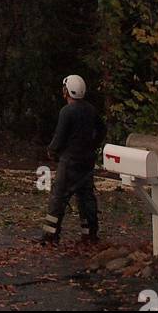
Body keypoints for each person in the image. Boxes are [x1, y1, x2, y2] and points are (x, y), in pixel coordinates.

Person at [41, 73, 106, 246]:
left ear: (67, 91)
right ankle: (90, 234)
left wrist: (52, 151)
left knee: (58, 197)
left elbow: (59, 136)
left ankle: (50, 236)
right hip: (87, 161)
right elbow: (102, 130)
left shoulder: (67, 111)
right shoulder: (91, 109)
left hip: (70, 161)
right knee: (86, 197)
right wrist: (93, 145)